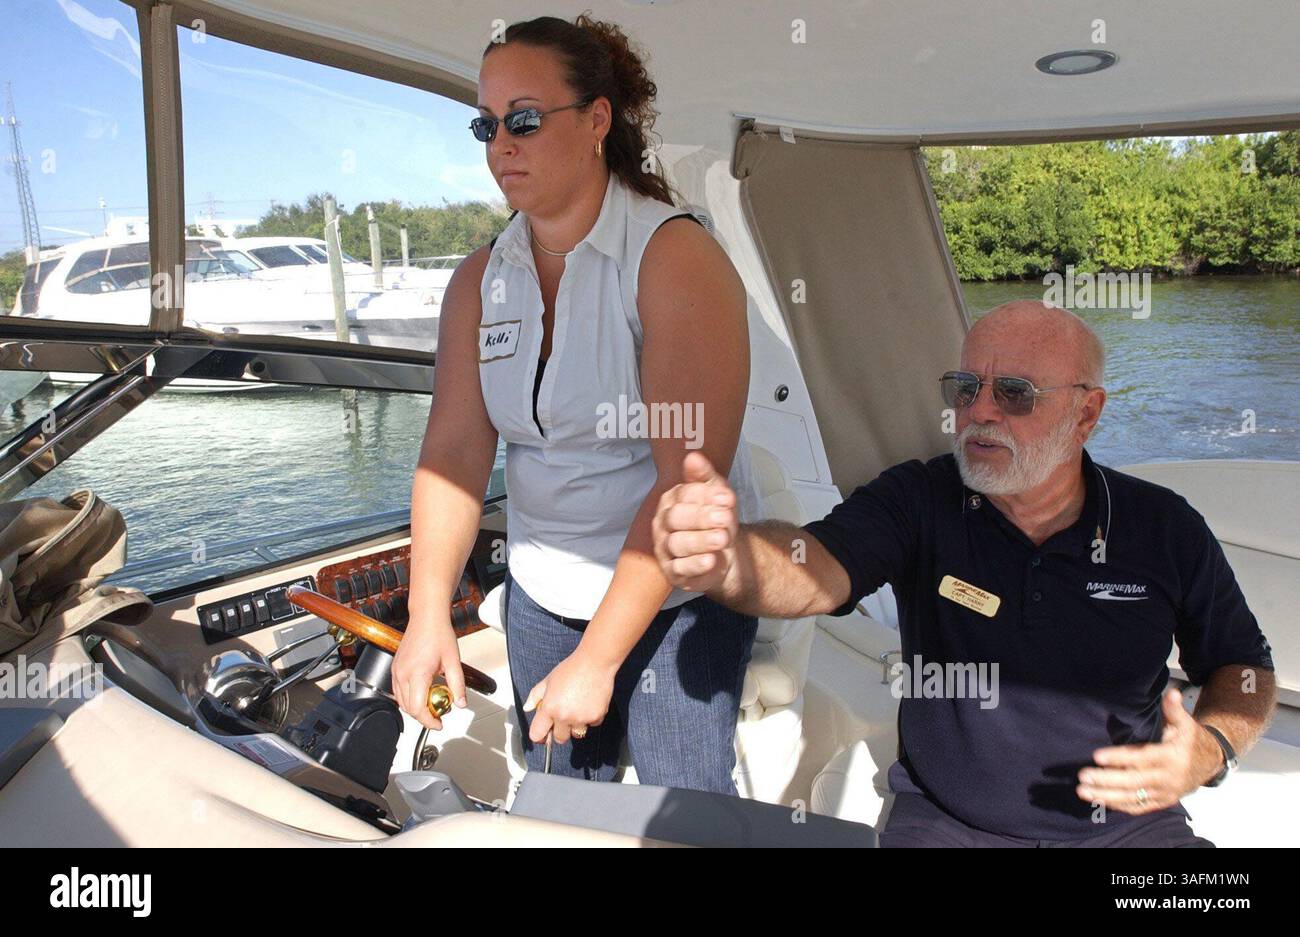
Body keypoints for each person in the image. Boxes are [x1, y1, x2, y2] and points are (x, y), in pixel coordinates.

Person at [652, 300, 1276, 845]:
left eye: (1013, 394)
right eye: (965, 387)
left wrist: (1210, 748)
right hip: (948, 824)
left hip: (1128, 828)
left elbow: (1244, 668)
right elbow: (814, 569)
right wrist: (726, 557)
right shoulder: (919, 499)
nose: (978, 412)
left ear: (1087, 414)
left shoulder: (1163, 527)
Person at [394, 14, 760, 794]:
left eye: (524, 119)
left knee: (681, 814)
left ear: (597, 120)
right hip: (542, 594)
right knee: (560, 807)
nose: (502, 144)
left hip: (679, 601)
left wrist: (597, 660)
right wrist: (428, 613)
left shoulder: (673, 259)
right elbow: (456, 452)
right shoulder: (479, 281)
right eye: (485, 125)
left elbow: (684, 485)